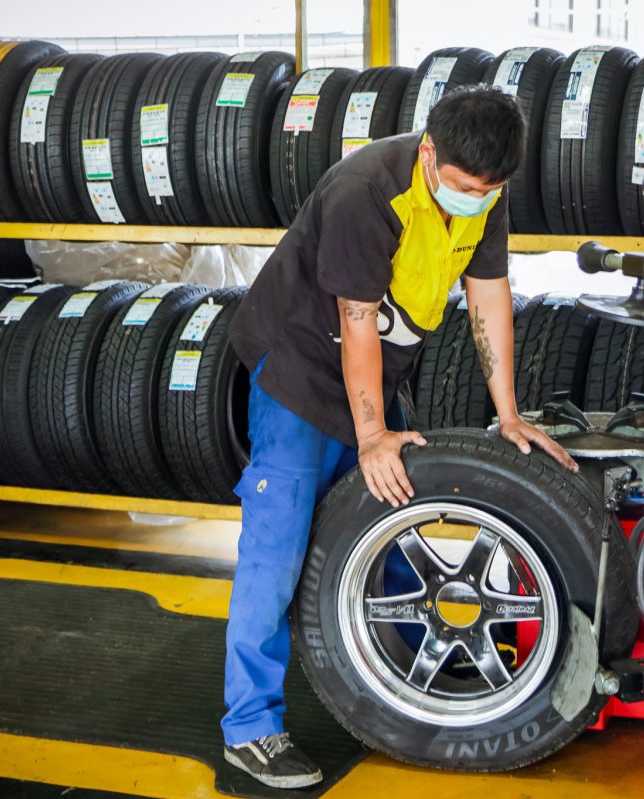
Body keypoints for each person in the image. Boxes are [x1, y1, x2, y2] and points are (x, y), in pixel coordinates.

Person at [221, 85, 578, 789]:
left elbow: (489, 294)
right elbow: (355, 320)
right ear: (427, 152)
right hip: (299, 366)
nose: (472, 197)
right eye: (459, 184)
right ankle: (250, 727)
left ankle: (398, 662)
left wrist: (508, 413)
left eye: (487, 188)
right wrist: (373, 434)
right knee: (279, 544)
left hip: (374, 366)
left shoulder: (486, 192)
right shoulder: (365, 192)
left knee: (380, 524)